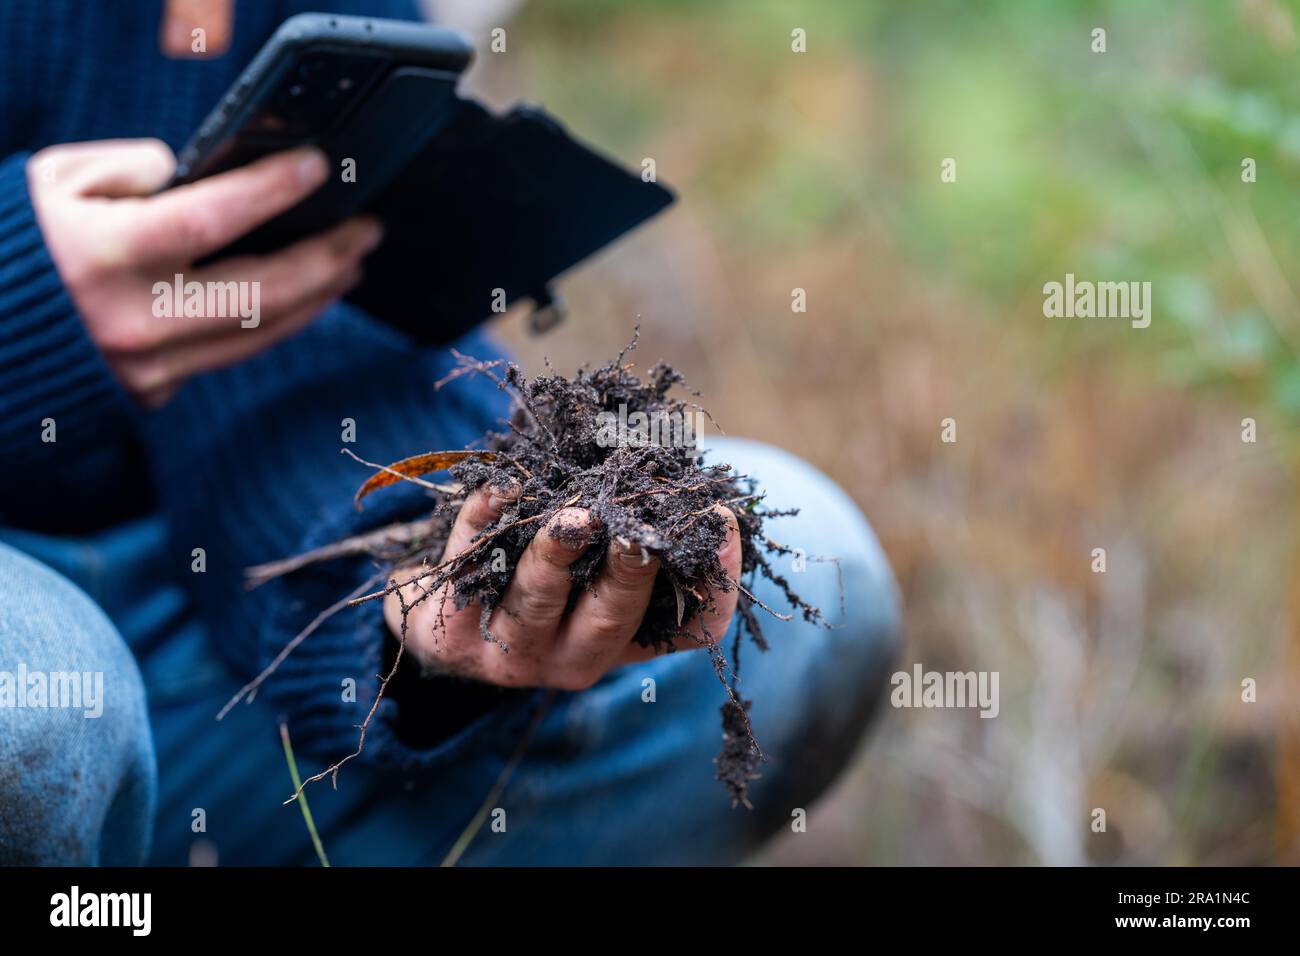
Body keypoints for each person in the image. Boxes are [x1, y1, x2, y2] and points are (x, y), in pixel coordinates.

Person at [0, 0, 900, 865]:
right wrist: (24, 302)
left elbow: (324, 333)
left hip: (206, 636)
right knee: (42, 704)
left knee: (821, 578)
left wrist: (400, 582)